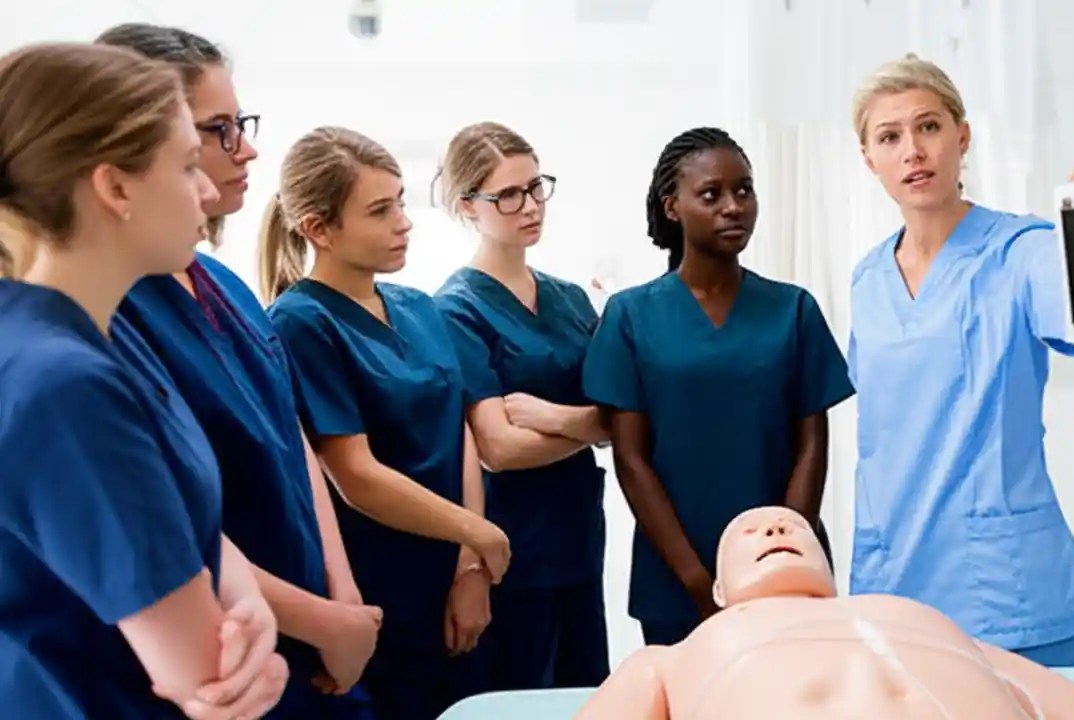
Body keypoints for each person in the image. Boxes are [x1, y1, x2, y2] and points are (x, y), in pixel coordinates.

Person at [95, 23, 382, 717]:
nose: (244, 149)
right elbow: (167, 522)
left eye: (238, 124)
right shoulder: (108, 307)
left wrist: (340, 602)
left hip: (315, 634)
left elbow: (292, 439)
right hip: (224, 652)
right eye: (216, 132)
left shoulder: (223, 283)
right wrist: (320, 620)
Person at [0, 41, 287, 718]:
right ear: (116, 186)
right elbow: (206, 675)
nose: (209, 190)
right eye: (189, 164)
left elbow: (181, 521)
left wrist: (249, 604)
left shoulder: (96, 333)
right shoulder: (61, 385)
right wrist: (255, 658)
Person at [845, 54, 1074, 667]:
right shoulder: (867, 279)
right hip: (895, 580)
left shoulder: (1024, 250)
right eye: (890, 136)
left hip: (1008, 589)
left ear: (962, 138)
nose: (913, 150)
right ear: (869, 159)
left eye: (929, 127)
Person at [260, 126, 512, 719]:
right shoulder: (302, 322)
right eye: (380, 210)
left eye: (400, 201)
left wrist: (470, 565)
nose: (404, 221)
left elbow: (459, 434)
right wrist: (479, 535)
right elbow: (355, 473)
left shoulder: (419, 307)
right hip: (379, 589)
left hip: (453, 577)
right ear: (318, 229)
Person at [583, 127, 854, 647]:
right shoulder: (631, 316)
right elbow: (632, 461)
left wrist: (780, 562)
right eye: (712, 195)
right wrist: (698, 582)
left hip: (787, 579)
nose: (734, 206)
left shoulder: (792, 309)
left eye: (744, 190)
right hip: (675, 575)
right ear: (673, 207)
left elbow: (812, 446)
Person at [575, 507, 1074, 719]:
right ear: (719, 590)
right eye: (750, 531)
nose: (775, 529)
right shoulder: (675, 656)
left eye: (795, 527)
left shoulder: (917, 617)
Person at [433, 122, 611, 692]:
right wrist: (594, 424)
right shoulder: (455, 309)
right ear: (467, 205)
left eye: (536, 187)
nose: (530, 205)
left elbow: (617, 417)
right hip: (513, 546)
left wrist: (564, 418)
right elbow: (500, 448)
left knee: (590, 697)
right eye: (508, 195)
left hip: (579, 536)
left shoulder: (571, 298)